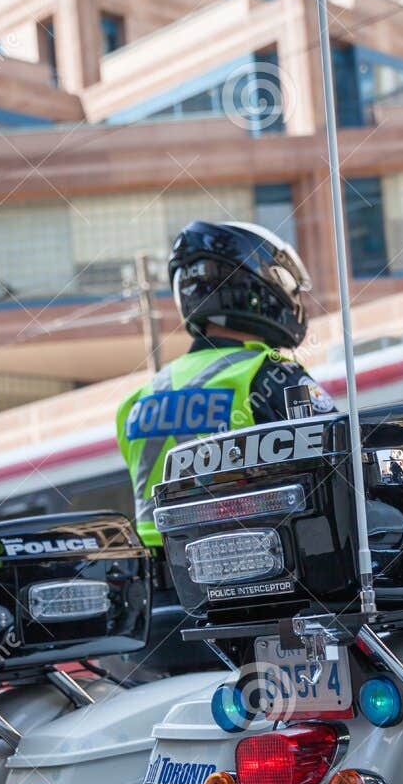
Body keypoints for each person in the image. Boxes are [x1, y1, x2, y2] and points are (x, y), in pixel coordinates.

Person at [117, 220, 332, 546]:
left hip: (158, 573)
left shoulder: (136, 402)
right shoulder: (268, 373)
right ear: (260, 287)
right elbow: (338, 466)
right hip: (254, 565)